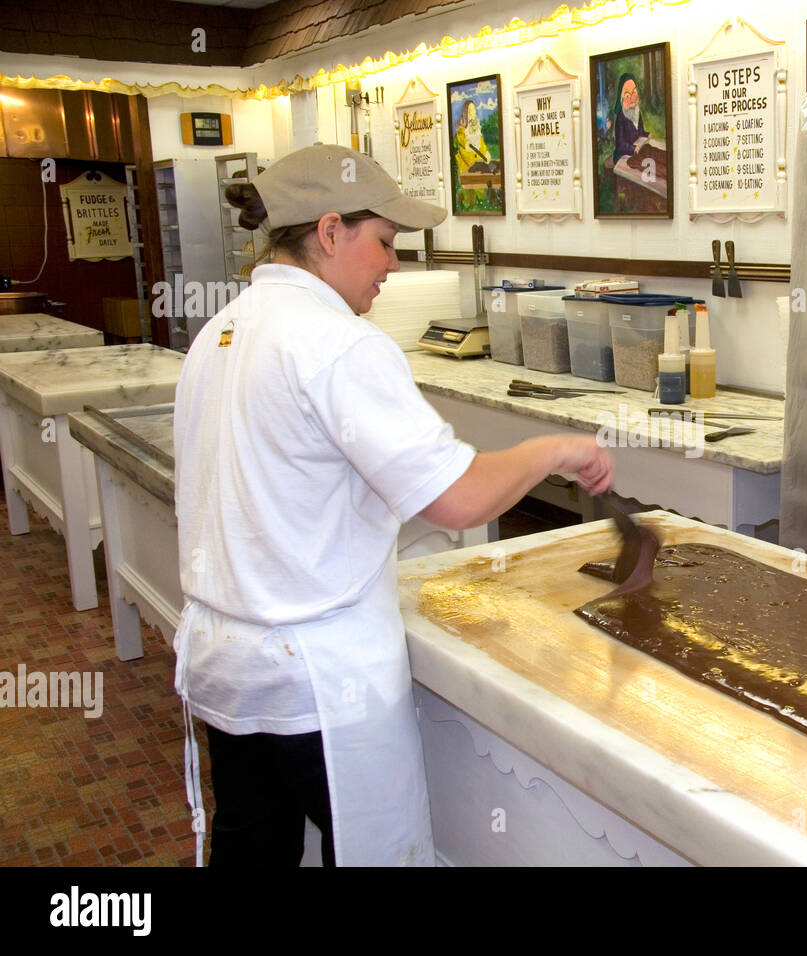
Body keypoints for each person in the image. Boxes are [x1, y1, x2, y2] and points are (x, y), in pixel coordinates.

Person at [171, 143, 613, 867]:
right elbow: (457, 499)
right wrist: (553, 451)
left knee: (254, 849)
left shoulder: (220, 333)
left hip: (230, 670)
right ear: (330, 230)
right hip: (318, 682)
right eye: (385, 242)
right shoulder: (339, 344)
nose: (393, 266)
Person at [612, 72, 649, 164]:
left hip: (636, 149)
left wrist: (646, 134)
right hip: (623, 154)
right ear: (621, 99)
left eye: (634, 92)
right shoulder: (621, 117)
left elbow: (640, 131)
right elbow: (620, 145)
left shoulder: (637, 112)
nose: (633, 98)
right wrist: (632, 149)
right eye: (628, 95)